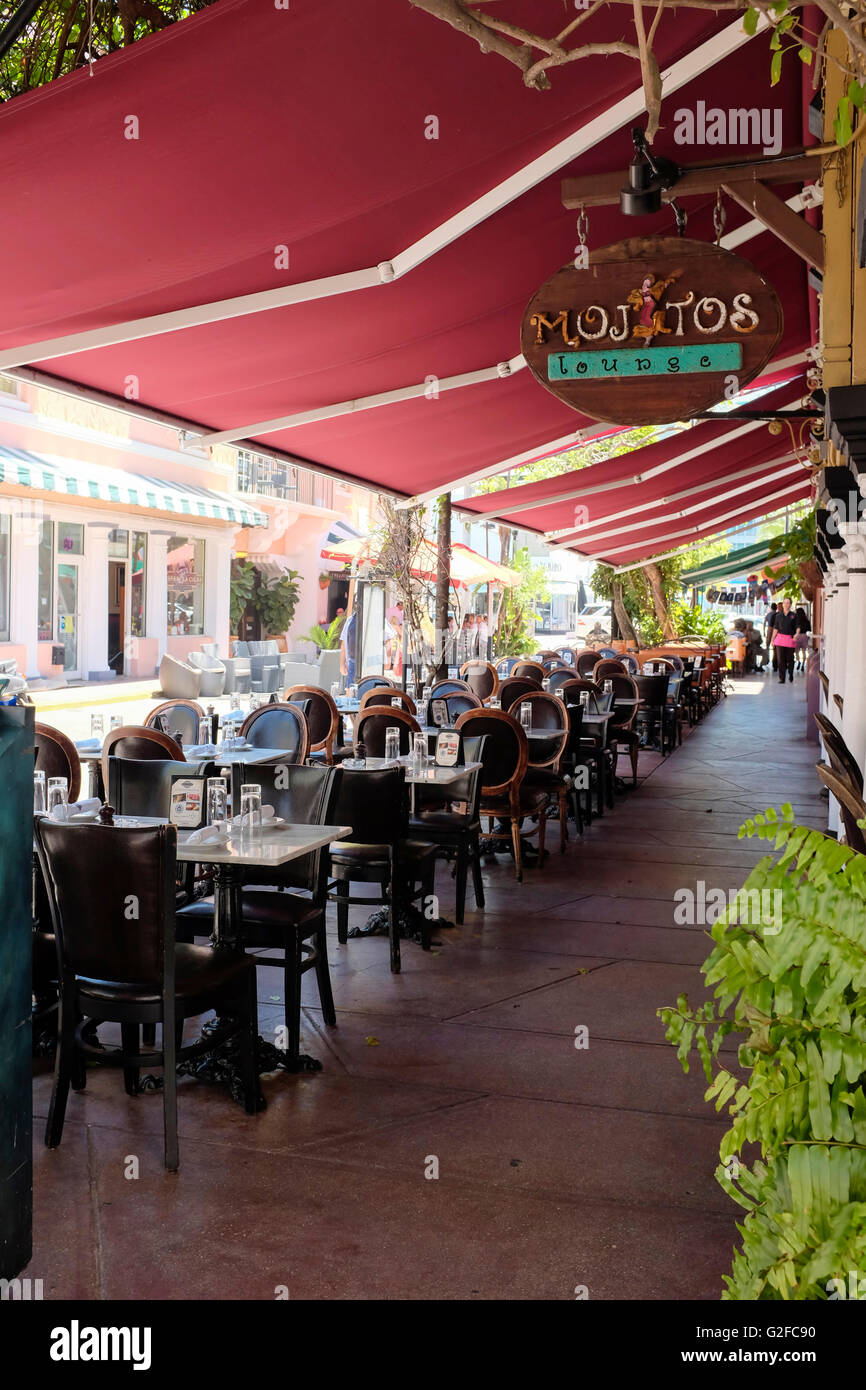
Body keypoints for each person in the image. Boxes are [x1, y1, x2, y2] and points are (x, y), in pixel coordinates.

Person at [771, 597, 797, 684]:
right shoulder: (778, 616)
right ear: (782, 605)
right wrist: (772, 640)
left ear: (790, 604)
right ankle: (782, 678)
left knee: (790, 659)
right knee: (780, 660)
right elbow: (775, 628)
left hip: (790, 639)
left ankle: (790, 673)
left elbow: (797, 627)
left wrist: (796, 634)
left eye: (788, 603)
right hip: (780, 640)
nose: (786, 604)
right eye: (784, 603)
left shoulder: (793, 616)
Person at [340, 608, 356, 687]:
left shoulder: (377, 617)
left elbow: (388, 638)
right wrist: (342, 664)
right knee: (351, 691)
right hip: (352, 663)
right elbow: (344, 642)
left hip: (371, 664)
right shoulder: (350, 620)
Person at [794, 605, 811, 673]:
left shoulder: (796, 621)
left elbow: (794, 629)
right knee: (804, 652)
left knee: (796, 652)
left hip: (797, 636)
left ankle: (798, 661)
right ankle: (803, 665)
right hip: (804, 636)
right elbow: (809, 630)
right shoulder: (807, 621)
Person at [764, 602, 778, 674]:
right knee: (775, 647)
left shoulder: (768, 614)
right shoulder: (778, 614)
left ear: (771, 608)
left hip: (769, 630)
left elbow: (764, 623)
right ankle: (774, 661)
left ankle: (766, 659)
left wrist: (763, 631)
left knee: (767, 645)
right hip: (776, 631)